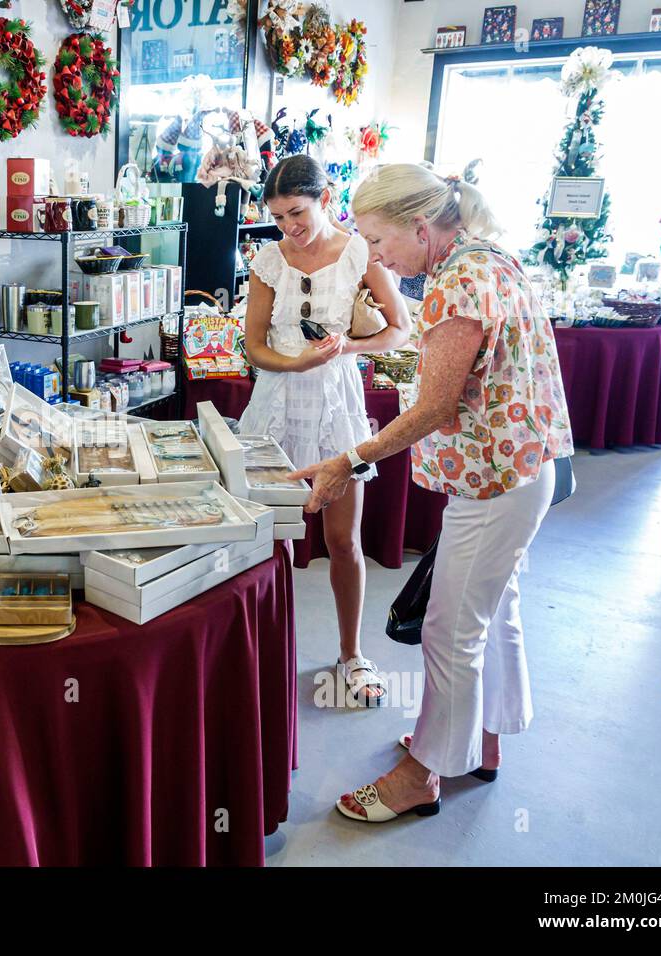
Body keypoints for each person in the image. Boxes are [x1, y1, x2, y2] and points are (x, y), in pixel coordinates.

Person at [290, 164, 574, 822]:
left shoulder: (456, 283)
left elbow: (435, 407)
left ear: (419, 227)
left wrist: (349, 459)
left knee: (451, 630)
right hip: (521, 467)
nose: (378, 257)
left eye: (380, 242)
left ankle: (422, 774)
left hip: (495, 478)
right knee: (495, 611)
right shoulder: (489, 254)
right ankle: (483, 742)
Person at [238, 155, 409, 707]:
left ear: (324, 198)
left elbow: (401, 329)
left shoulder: (361, 252)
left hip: (338, 405)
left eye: (297, 212)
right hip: (276, 405)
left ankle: (350, 653)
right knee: (269, 542)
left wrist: (348, 349)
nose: (290, 225)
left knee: (342, 539)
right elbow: (254, 344)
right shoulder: (268, 260)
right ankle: (265, 653)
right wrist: (291, 364)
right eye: (279, 216)